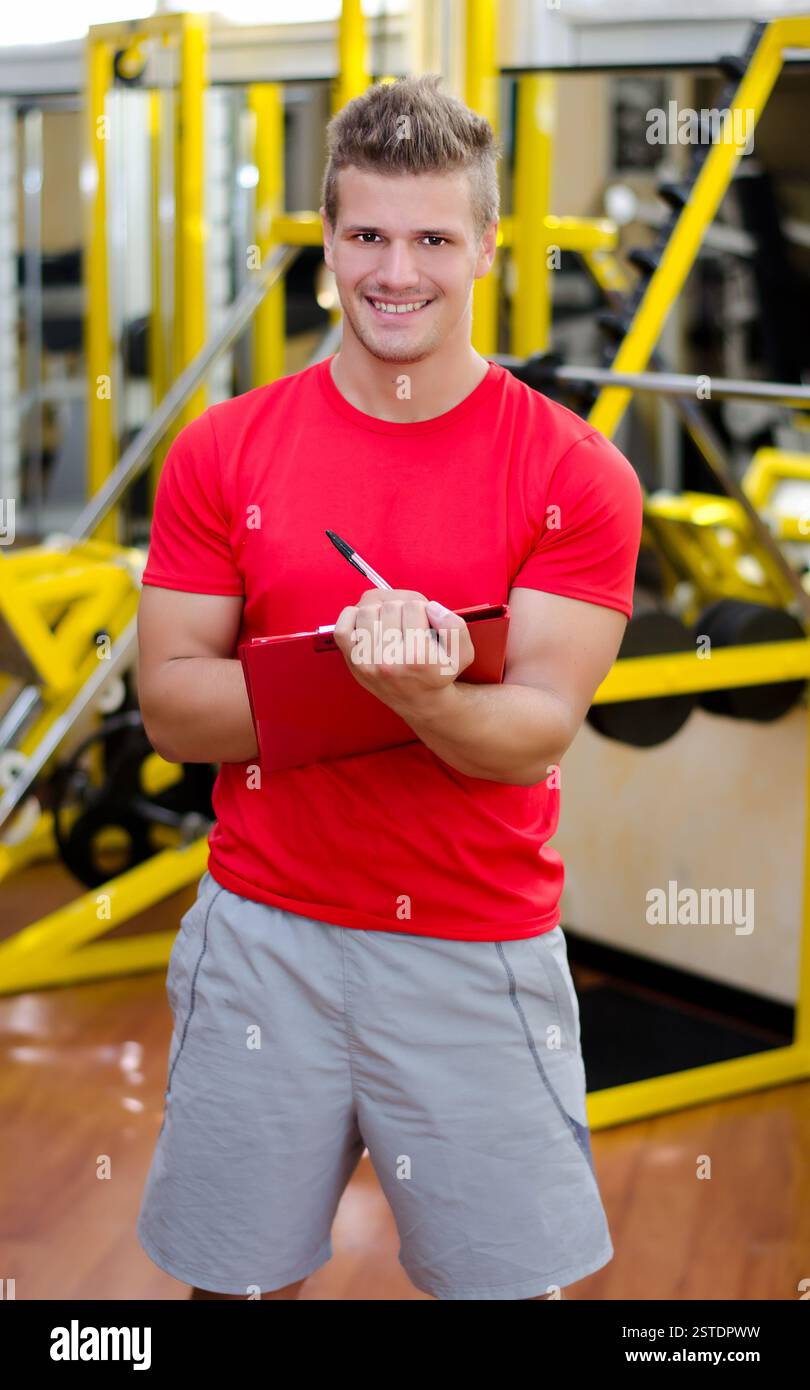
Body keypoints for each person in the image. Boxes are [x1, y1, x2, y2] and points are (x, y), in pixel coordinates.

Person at [135, 73, 643, 1302]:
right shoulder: (225, 449)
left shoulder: (578, 474)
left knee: (506, 1294)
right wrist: (366, 674)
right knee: (231, 1288)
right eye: (366, 235)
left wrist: (424, 696)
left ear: (483, 247)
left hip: (474, 947)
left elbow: (526, 738)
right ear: (329, 241)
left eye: (431, 238)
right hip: (262, 936)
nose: (395, 271)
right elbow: (169, 707)